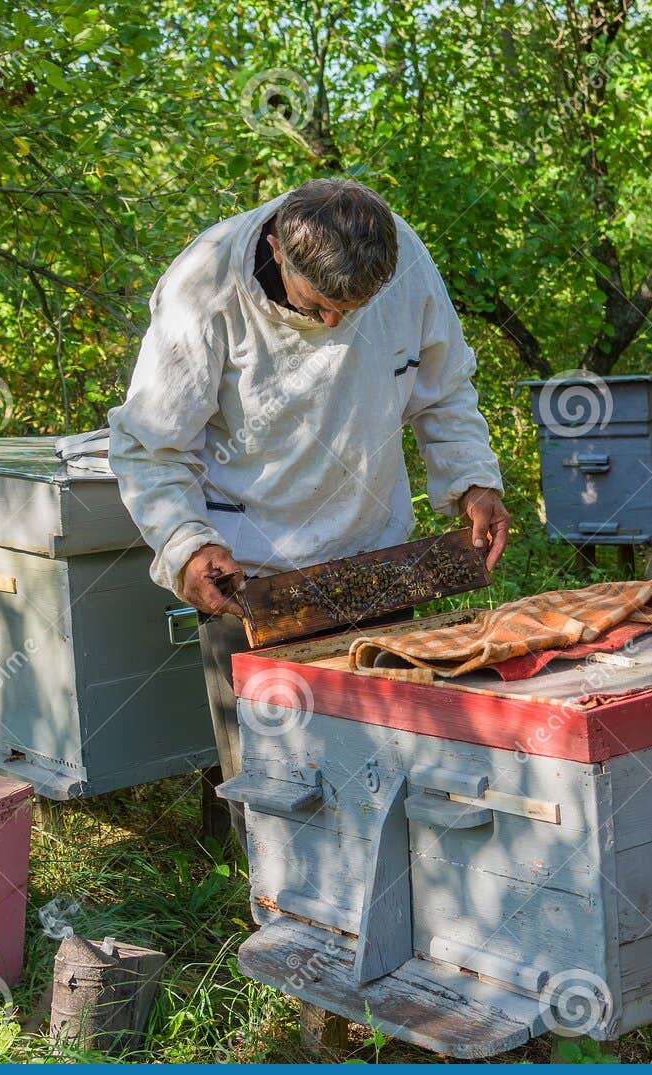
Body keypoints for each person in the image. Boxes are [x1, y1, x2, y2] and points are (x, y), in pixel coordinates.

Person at [107, 177, 510, 831]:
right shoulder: (203, 287)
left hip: (376, 568)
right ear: (275, 249)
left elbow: (444, 388)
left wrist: (473, 482)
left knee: (393, 771)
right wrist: (185, 542)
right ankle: (282, 921)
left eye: (354, 306)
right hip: (254, 580)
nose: (335, 323)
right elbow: (151, 445)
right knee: (281, 793)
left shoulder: (404, 258)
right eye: (321, 304)